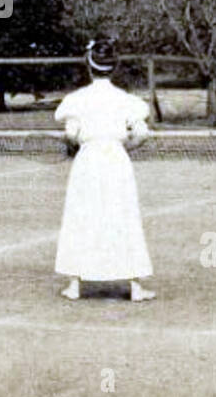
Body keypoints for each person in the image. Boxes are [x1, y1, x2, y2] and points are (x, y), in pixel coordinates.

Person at [54, 41, 155, 302]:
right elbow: (142, 133)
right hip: (116, 160)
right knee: (123, 215)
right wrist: (122, 147)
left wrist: (83, 143)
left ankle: (75, 285)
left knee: (82, 215)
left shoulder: (77, 100)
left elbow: (71, 133)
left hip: (88, 160)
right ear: (114, 67)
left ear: (89, 66)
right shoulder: (126, 100)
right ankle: (135, 285)